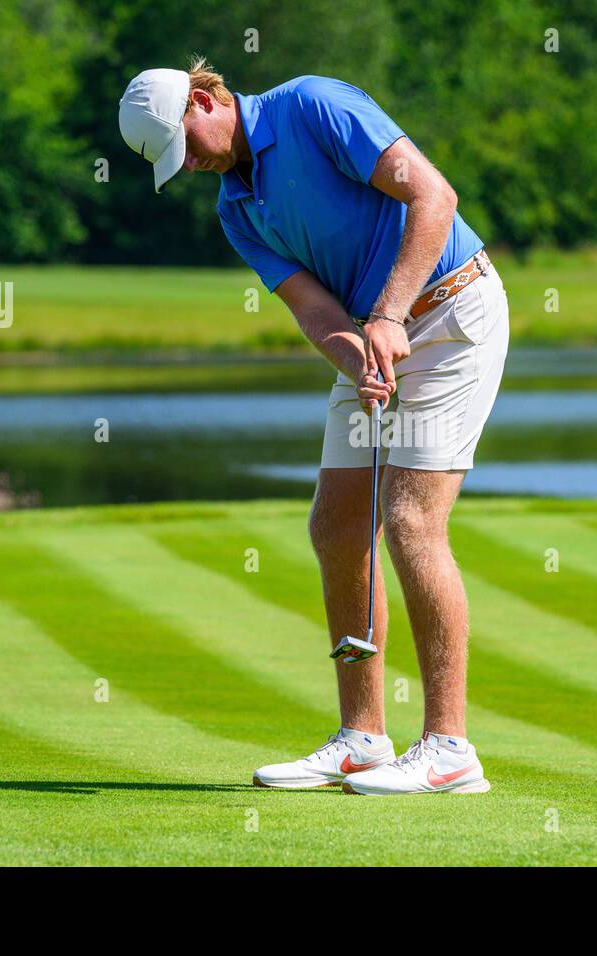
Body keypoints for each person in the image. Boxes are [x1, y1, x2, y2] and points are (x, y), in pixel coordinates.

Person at [119, 59, 508, 795]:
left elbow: (434, 196)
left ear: (205, 98)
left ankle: (450, 747)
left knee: (411, 520)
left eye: (189, 146)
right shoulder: (237, 207)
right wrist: (357, 354)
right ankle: (363, 737)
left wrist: (389, 317)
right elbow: (315, 312)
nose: (193, 165)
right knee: (336, 524)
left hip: (455, 314)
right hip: (376, 337)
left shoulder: (315, 105)